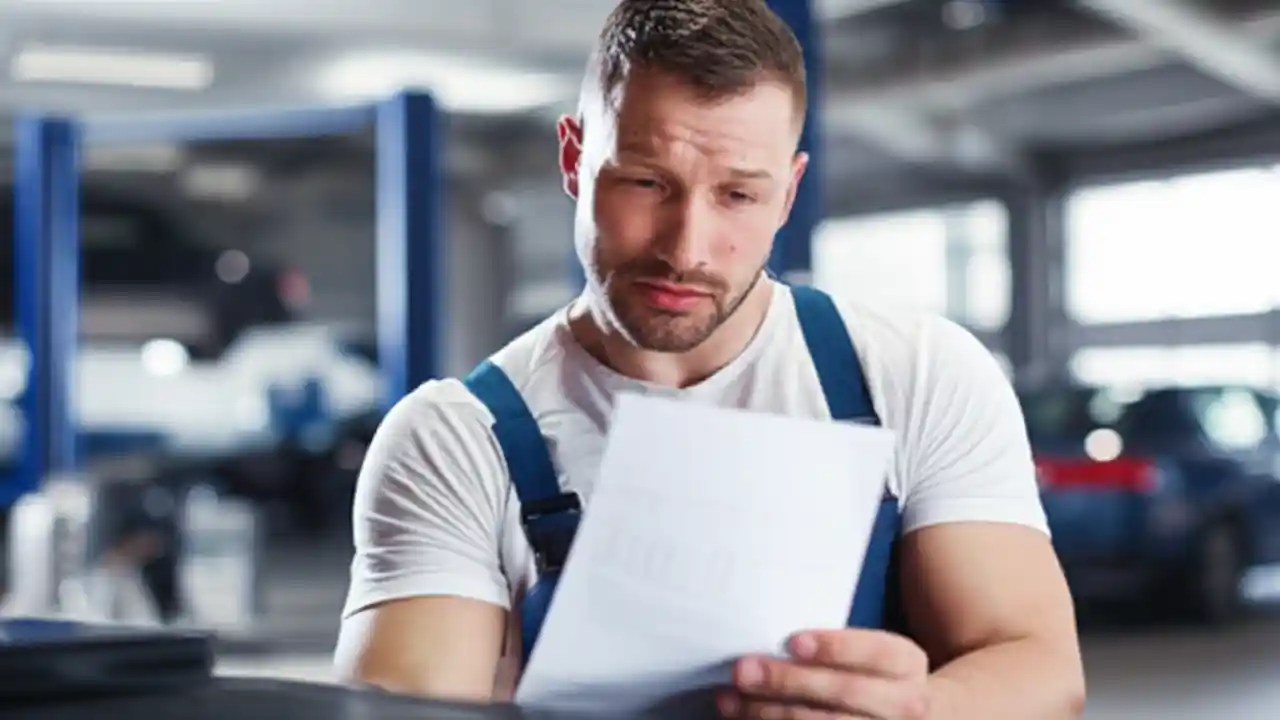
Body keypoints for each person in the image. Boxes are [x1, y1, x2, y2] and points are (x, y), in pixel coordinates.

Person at [333, 1, 1086, 717]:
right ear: (573, 158)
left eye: (738, 195)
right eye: (647, 182)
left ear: (788, 193)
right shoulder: (457, 442)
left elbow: (1039, 668)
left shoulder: (915, 373)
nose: (685, 249)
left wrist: (918, 710)